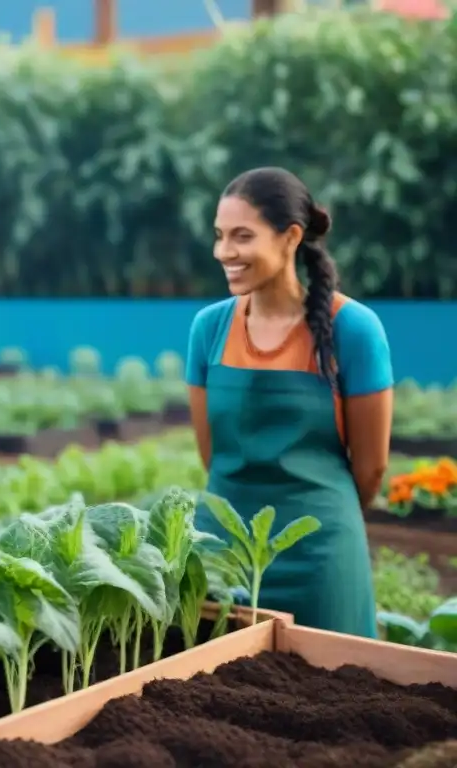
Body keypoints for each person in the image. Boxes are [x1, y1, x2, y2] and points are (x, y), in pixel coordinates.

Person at [186, 167, 392, 638]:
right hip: (223, 558)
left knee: (334, 696)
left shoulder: (354, 330)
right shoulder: (208, 329)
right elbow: (210, 454)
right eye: (219, 236)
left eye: (242, 236)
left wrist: (321, 519)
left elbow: (372, 468)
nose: (225, 252)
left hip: (320, 559)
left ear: (290, 237)